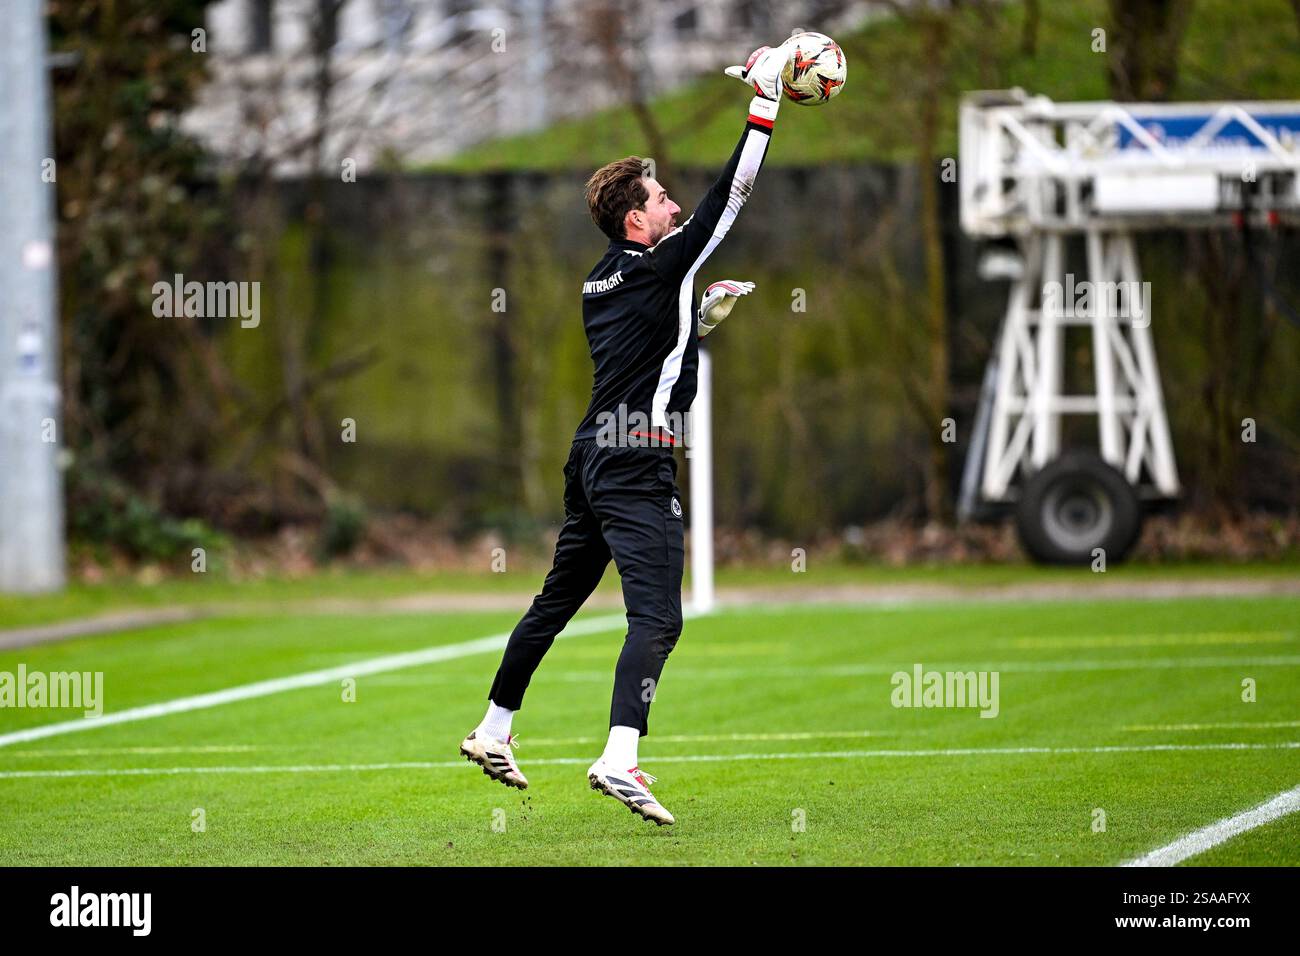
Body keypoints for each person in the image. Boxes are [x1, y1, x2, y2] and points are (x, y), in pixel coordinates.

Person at [460, 40, 795, 826]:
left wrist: (698, 321)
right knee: (657, 617)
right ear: (636, 218)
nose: (675, 204)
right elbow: (732, 196)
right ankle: (620, 759)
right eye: (662, 197)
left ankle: (493, 728)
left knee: (556, 601)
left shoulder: (602, 276)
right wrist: (767, 100)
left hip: (592, 453)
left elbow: (650, 344)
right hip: (637, 458)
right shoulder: (656, 263)